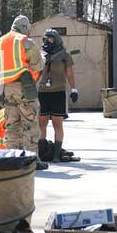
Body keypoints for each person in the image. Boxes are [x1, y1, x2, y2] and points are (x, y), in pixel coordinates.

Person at [0, 14, 47, 169]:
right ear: (25, 28)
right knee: (29, 122)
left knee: (12, 124)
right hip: (23, 87)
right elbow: (37, 65)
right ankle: (31, 161)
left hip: (5, 89)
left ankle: (11, 158)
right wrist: (43, 58)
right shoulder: (24, 41)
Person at [37, 28, 78, 160]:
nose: (46, 42)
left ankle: (57, 152)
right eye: (45, 39)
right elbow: (37, 73)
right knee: (41, 123)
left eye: (49, 39)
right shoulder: (41, 54)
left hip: (58, 92)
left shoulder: (64, 54)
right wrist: (30, 87)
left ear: (56, 40)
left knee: (57, 123)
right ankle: (42, 150)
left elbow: (69, 73)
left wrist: (74, 89)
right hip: (43, 92)